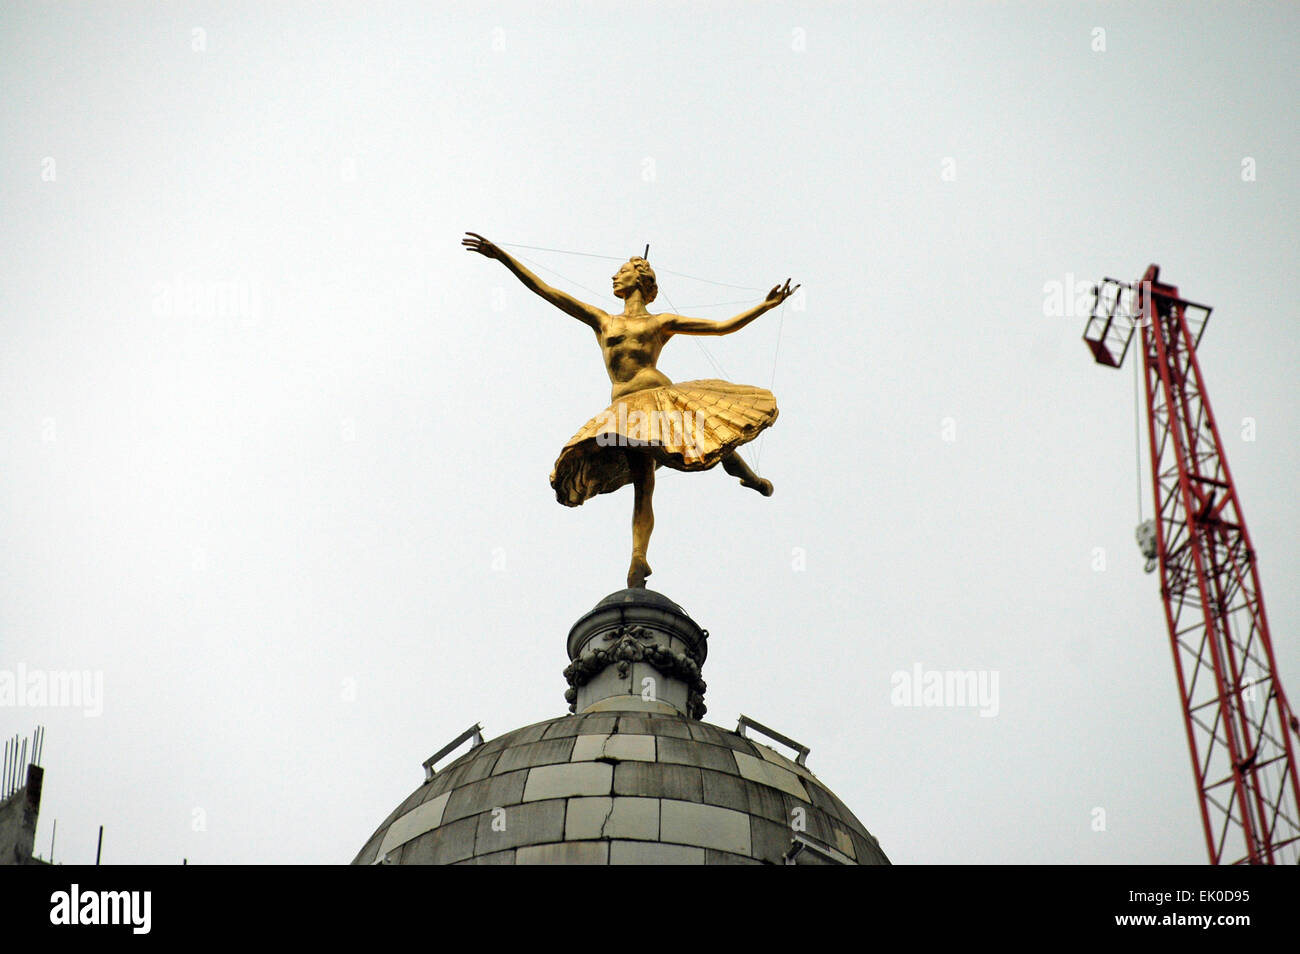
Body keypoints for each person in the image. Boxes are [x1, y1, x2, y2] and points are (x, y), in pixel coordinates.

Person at [462, 232, 797, 588]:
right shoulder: (603, 320)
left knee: (707, 435)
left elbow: (719, 328)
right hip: (625, 409)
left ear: (640, 279)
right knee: (644, 484)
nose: (614, 277)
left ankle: (750, 478)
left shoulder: (658, 323)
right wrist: (502, 256)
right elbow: (548, 292)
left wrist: (763, 306)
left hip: (658, 395)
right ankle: (639, 558)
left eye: (621, 272)